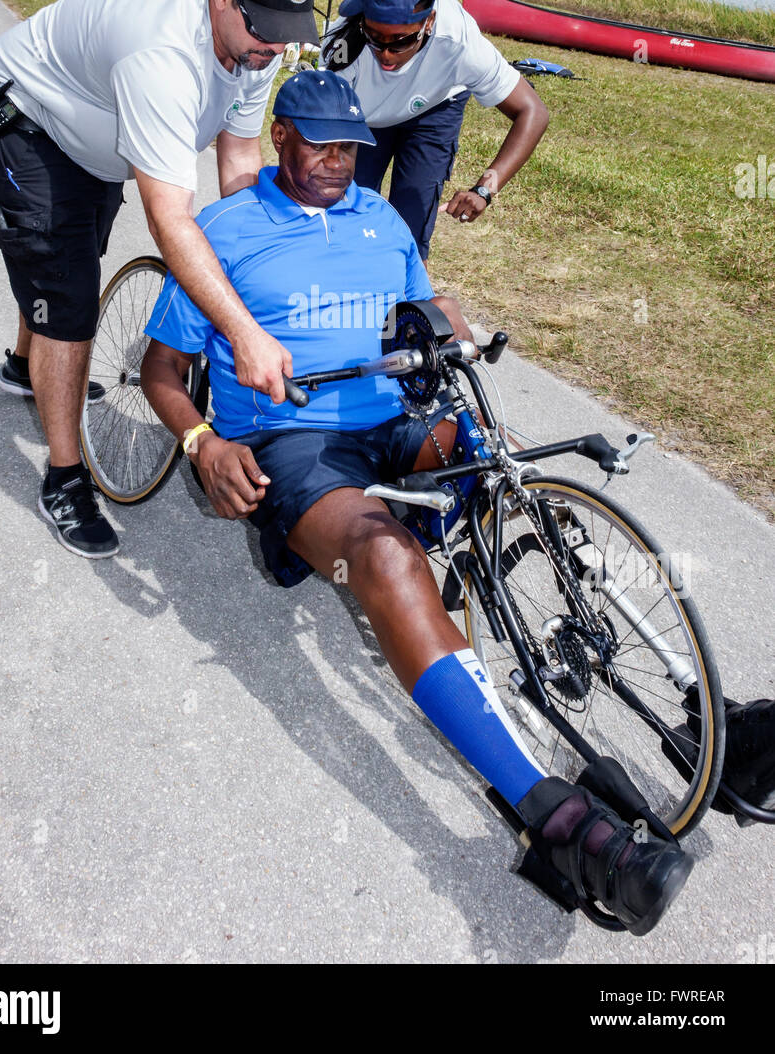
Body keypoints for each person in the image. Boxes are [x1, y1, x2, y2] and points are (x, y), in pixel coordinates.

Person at [140, 70, 775, 936]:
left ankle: (710, 723)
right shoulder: (222, 230)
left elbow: (424, 300)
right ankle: (554, 822)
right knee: (387, 557)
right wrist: (200, 442)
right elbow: (161, 375)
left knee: (512, 475)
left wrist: (451, 321)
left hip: (399, 414)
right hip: (293, 441)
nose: (336, 161)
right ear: (279, 135)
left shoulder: (379, 215)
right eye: (318, 143)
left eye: (350, 147)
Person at [0, 0, 320, 558]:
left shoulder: (259, 43)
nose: (273, 49)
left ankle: (26, 365)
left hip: (97, 140)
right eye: (263, 32)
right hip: (28, 118)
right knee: (68, 296)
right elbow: (170, 219)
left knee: (70, 263)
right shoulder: (161, 54)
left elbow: (238, 157)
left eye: (286, 36)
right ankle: (65, 478)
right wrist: (242, 331)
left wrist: (249, 273)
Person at [321, 0, 549, 259]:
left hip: (434, 107)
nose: (386, 55)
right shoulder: (341, 53)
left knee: (409, 235)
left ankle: (407, 303)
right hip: (364, 118)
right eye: (375, 38)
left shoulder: (459, 42)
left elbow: (532, 112)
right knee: (342, 216)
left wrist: (485, 189)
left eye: (400, 42)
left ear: (428, 22)